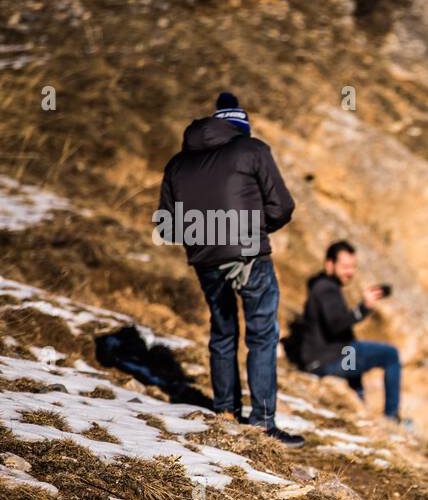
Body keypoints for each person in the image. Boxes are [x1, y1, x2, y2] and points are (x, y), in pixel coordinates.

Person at [157, 91, 303, 447]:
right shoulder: (252, 150)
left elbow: (166, 226)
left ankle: (225, 411)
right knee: (262, 334)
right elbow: (282, 206)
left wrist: (205, 238)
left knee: (223, 331)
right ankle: (262, 423)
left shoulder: (177, 164)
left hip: (206, 258)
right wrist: (253, 229)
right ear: (242, 125)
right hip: (249, 255)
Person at [300, 241, 402, 421]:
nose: (350, 272)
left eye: (353, 267)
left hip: (327, 357)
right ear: (329, 264)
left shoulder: (322, 286)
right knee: (390, 354)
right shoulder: (326, 289)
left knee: (357, 352)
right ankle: (392, 417)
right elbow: (336, 325)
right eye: (345, 266)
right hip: (327, 361)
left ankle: (359, 404)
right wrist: (363, 308)